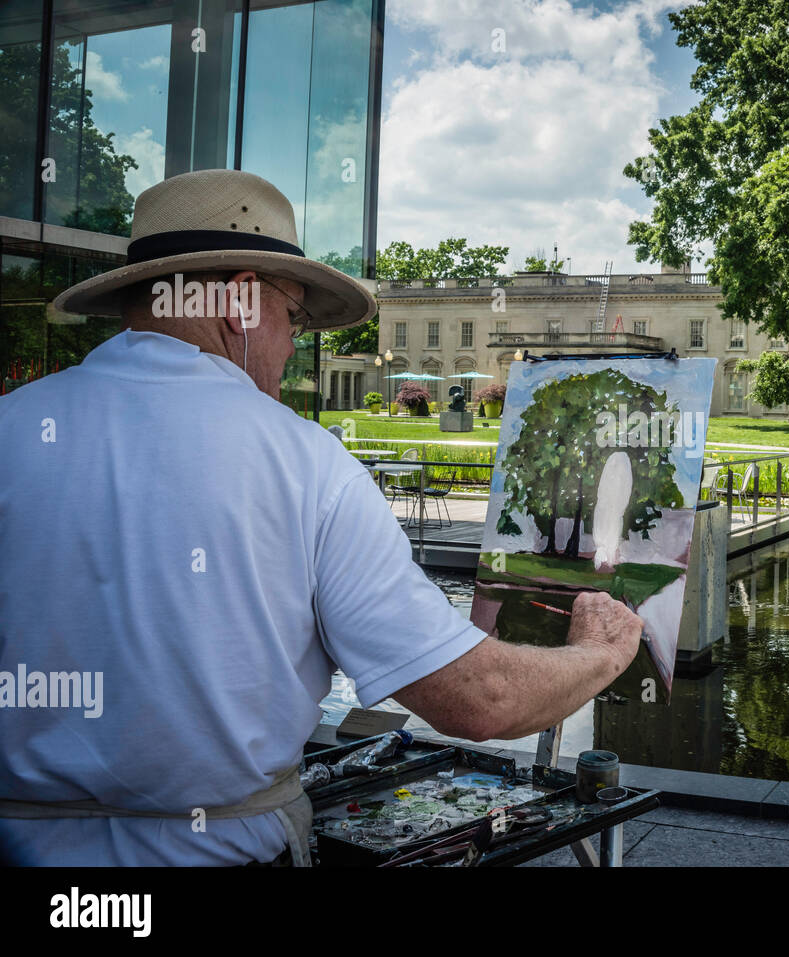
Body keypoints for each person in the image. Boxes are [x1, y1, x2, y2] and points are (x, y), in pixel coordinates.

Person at [0, 170, 643, 866]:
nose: (290, 345)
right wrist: (599, 654)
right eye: (293, 317)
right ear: (242, 304)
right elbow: (479, 698)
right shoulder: (306, 464)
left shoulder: (13, 428)